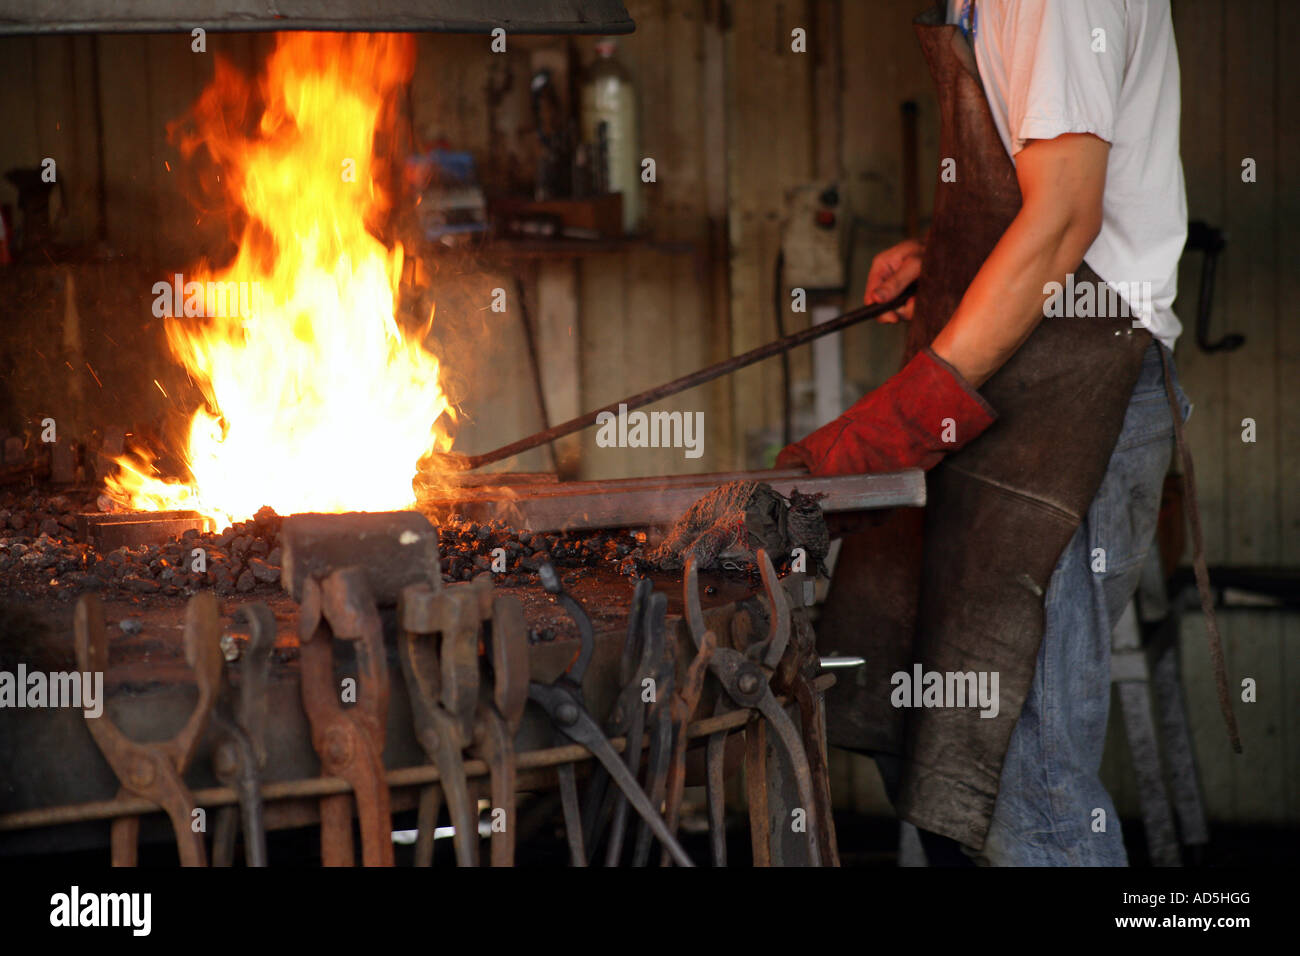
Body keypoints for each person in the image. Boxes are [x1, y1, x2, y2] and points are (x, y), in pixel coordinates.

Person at [778, 0, 1222, 865]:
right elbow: (1031, 186)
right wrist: (948, 256)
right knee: (962, 751)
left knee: (1030, 779)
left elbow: (1062, 221)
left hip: (1074, 394)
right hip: (1024, 373)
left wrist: (903, 415)